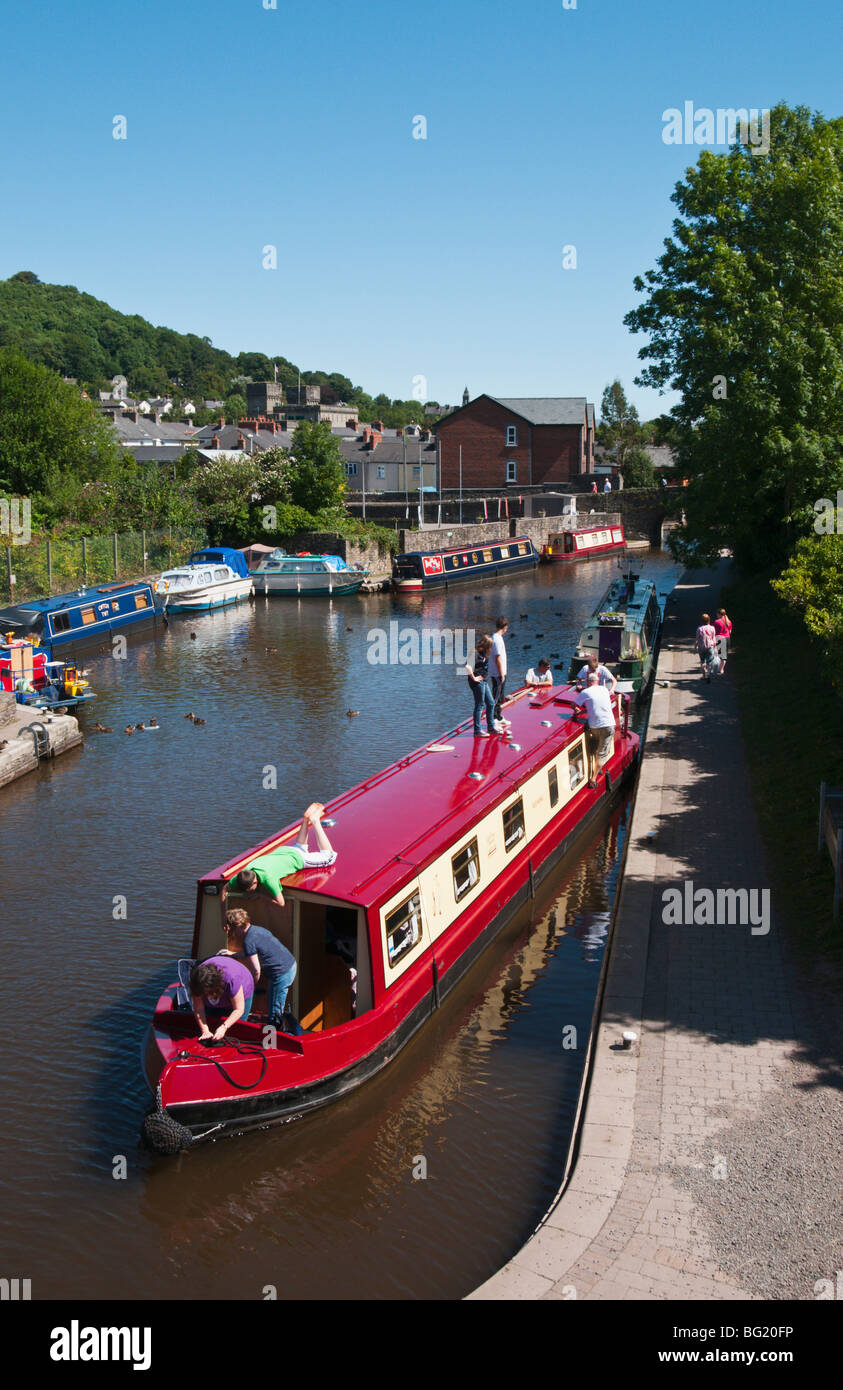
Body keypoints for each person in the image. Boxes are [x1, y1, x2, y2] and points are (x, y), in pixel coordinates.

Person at [223, 803, 337, 909]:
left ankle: (315, 821)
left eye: (250, 890)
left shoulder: (268, 879)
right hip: (284, 851)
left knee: (329, 857)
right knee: (300, 847)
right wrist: (223, 918)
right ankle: (306, 819)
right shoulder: (244, 873)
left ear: (255, 882)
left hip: (296, 859)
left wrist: (259, 895)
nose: (248, 892)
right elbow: (225, 889)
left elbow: (281, 903)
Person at [224, 907, 297, 1027]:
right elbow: (256, 953)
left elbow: (256, 970)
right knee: (275, 1005)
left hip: (281, 973)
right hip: (290, 965)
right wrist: (234, 954)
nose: (232, 932)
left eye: (232, 928)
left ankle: (275, 1040)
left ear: (238, 927)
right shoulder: (257, 930)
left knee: (274, 1012)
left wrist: (249, 987)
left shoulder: (248, 941)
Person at [189, 955, 254, 1041]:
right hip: (217, 990)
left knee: (236, 1031)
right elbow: (199, 1008)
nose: (205, 995)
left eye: (207, 993)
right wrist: (205, 1031)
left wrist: (224, 1027)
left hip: (242, 987)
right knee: (212, 1024)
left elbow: (239, 1009)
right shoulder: (197, 981)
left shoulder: (231, 980)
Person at [572, 672, 616, 788]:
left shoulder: (585, 692)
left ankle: (593, 773)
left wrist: (577, 710)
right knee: (602, 753)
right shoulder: (604, 690)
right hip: (608, 725)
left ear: (588, 682)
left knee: (595, 746)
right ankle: (594, 776)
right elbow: (600, 704)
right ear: (597, 681)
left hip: (594, 726)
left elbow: (574, 704)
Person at [465, 635, 503, 737]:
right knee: (480, 705)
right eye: (491, 646)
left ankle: (491, 727)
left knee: (490, 703)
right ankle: (477, 730)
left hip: (484, 681)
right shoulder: (476, 654)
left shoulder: (484, 654)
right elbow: (467, 666)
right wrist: (474, 678)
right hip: (477, 683)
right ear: (486, 645)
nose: (492, 648)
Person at [488, 616, 510, 729]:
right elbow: (497, 657)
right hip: (497, 673)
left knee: (500, 696)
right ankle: (494, 718)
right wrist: (501, 673)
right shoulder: (496, 639)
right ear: (505, 627)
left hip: (500, 672)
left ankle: (498, 716)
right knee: (496, 696)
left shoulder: (497, 638)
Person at [696, 612, 718, 682]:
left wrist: (695, 646)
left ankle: (703, 675)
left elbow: (697, 639)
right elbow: (713, 638)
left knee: (702, 661)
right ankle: (708, 674)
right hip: (710, 646)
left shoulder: (699, 629)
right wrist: (715, 646)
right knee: (709, 662)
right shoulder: (712, 628)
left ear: (701, 620)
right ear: (709, 620)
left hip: (701, 647)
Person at [714, 607, 732, 674]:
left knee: (719, 655)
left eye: (717, 614)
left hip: (720, 638)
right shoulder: (729, 621)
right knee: (724, 656)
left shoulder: (717, 621)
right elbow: (730, 631)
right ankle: (721, 669)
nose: (716, 615)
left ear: (719, 614)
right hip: (727, 638)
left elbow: (715, 632)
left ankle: (719, 668)